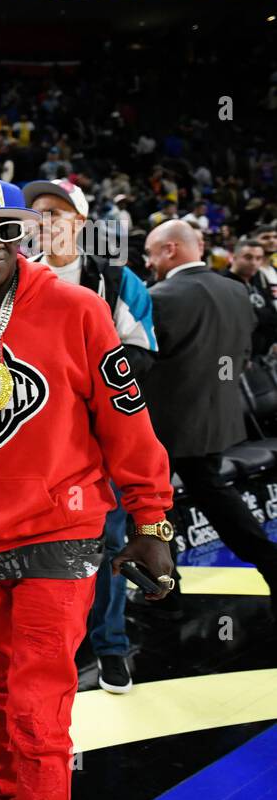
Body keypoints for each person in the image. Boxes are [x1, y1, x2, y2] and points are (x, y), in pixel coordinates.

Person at [0, 179, 175, 800]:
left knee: (35, 704)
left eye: (8, 229)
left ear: (25, 234)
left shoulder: (79, 310)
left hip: (62, 533)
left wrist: (152, 522)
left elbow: (126, 422)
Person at [22, 177, 159, 693]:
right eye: (38, 212)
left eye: (57, 212)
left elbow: (142, 356)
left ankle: (111, 646)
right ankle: (58, 644)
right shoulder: (12, 280)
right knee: (42, 545)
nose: (47, 221)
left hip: (100, 442)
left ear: (80, 221)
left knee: (107, 542)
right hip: (33, 444)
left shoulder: (119, 281)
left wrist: (79, 386)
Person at [142, 219, 277, 616]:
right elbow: (241, 355)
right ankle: (269, 562)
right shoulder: (236, 290)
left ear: (170, 249)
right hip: (218, 420)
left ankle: (167, 590)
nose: (150, 262)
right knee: (216, 497)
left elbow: (140, 363)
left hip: (164, 427)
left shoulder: (158, 297)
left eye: (152, 253)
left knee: (153, 507)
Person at [222, 238, 277, 358]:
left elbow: (272, 314)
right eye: (248, 257)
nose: (254, 263)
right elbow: (239, 322)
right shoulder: (223, 282)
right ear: (234, 257)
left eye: (258, 258)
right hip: (237, 355)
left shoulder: (258, 279)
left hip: (264, 352)